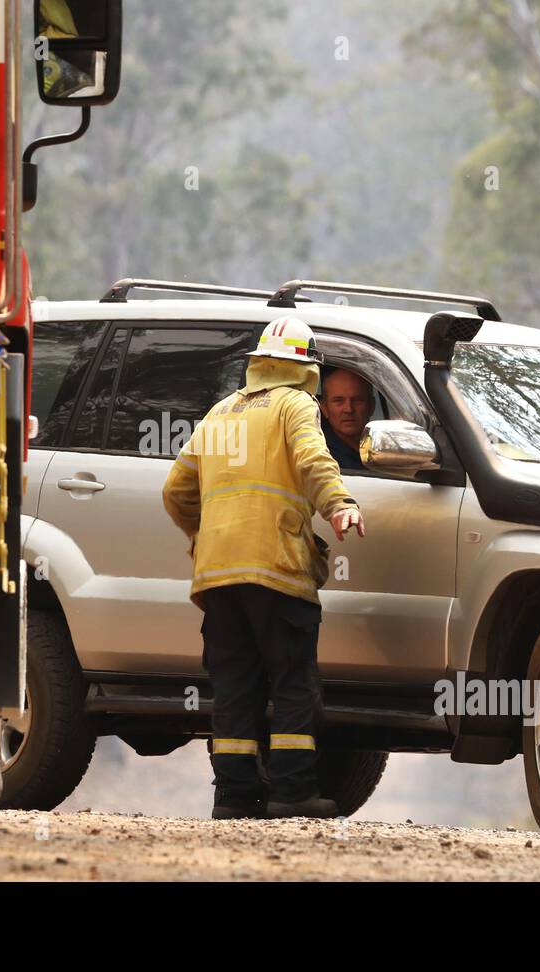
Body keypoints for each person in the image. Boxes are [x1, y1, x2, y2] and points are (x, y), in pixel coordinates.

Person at [161, 316, 366, 820]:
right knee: (292, 682)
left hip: (218, 575)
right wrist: (339, 503)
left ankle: (233, 796)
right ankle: (292, 793)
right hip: (276, 568)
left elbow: (174, 491)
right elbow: (313, 459)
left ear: (259, 363)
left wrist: (204, 535)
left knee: (233, 686)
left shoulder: (220, 412)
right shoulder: (296, 405)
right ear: (307, 369)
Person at [319, 367, 375, 470]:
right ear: (324, 408)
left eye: (357, 400)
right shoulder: (320, 456)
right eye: (338, 401)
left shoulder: (381, 448)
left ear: (372, 406)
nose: (348, 409)